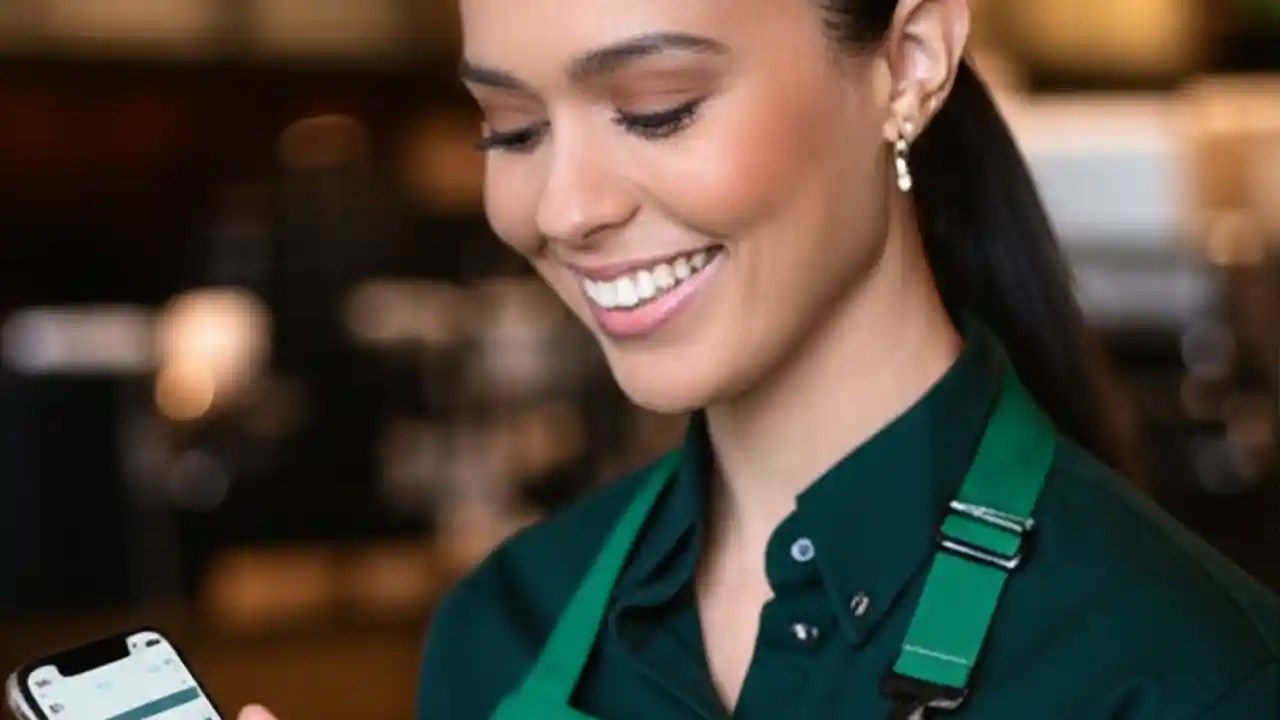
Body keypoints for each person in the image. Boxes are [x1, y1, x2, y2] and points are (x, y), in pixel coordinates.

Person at [241, 0, 1280, 717]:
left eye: (656, 108)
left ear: (906, 62)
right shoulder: (504, 631)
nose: (562, 210)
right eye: (510, 129)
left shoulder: (1187, 676)